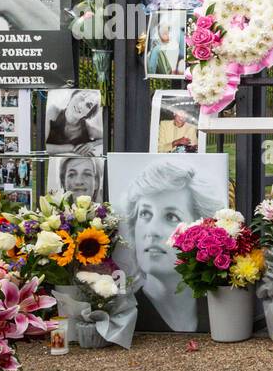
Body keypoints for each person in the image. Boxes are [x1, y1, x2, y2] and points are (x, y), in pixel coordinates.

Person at [118, 160, 220, 332]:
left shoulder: (220, 310)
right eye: (145, 213)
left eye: (171, 217)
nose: (152, 231)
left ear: (203, 229)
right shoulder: (124, 320)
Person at [45, 89, 103, 156]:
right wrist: (70, 148)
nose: (80, 105)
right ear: (72, 96)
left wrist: (92, 144)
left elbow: (106, 137)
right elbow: (40, 147)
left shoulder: (87, 129)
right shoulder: (53, 112)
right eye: (81, 97)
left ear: (88, 114)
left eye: (88, 105)